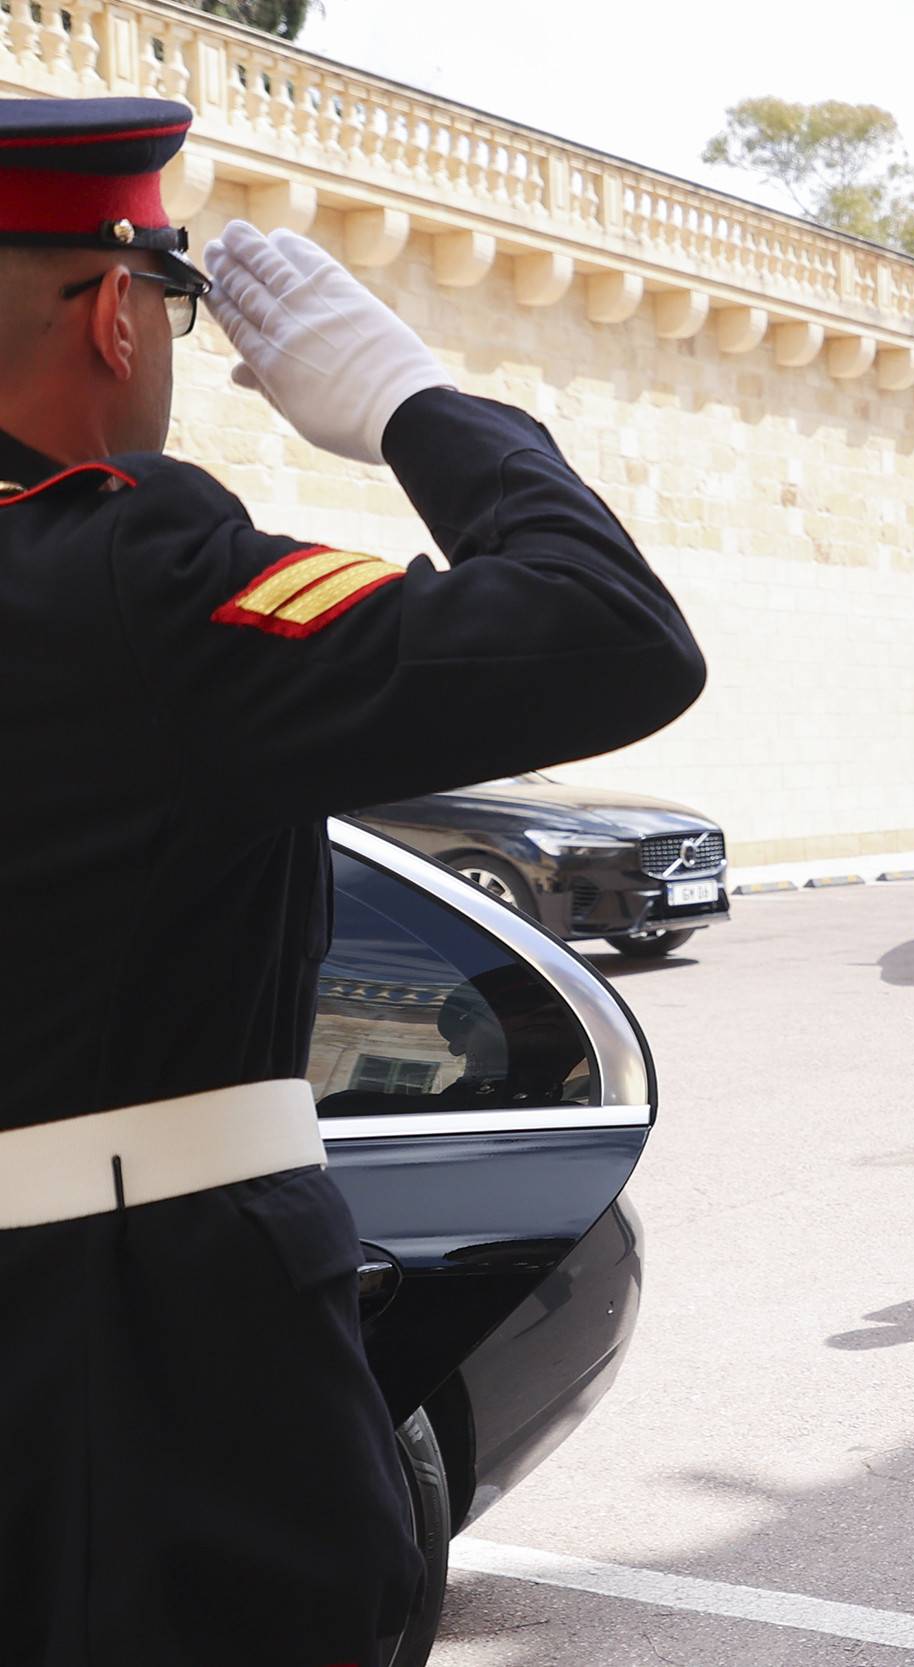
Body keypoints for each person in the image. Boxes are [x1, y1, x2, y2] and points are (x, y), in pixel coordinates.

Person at [0, 99, 707, 1665]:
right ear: (118, 312)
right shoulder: (126, 571)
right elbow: (611, 629)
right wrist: (409, 399)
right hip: (147, 1377)